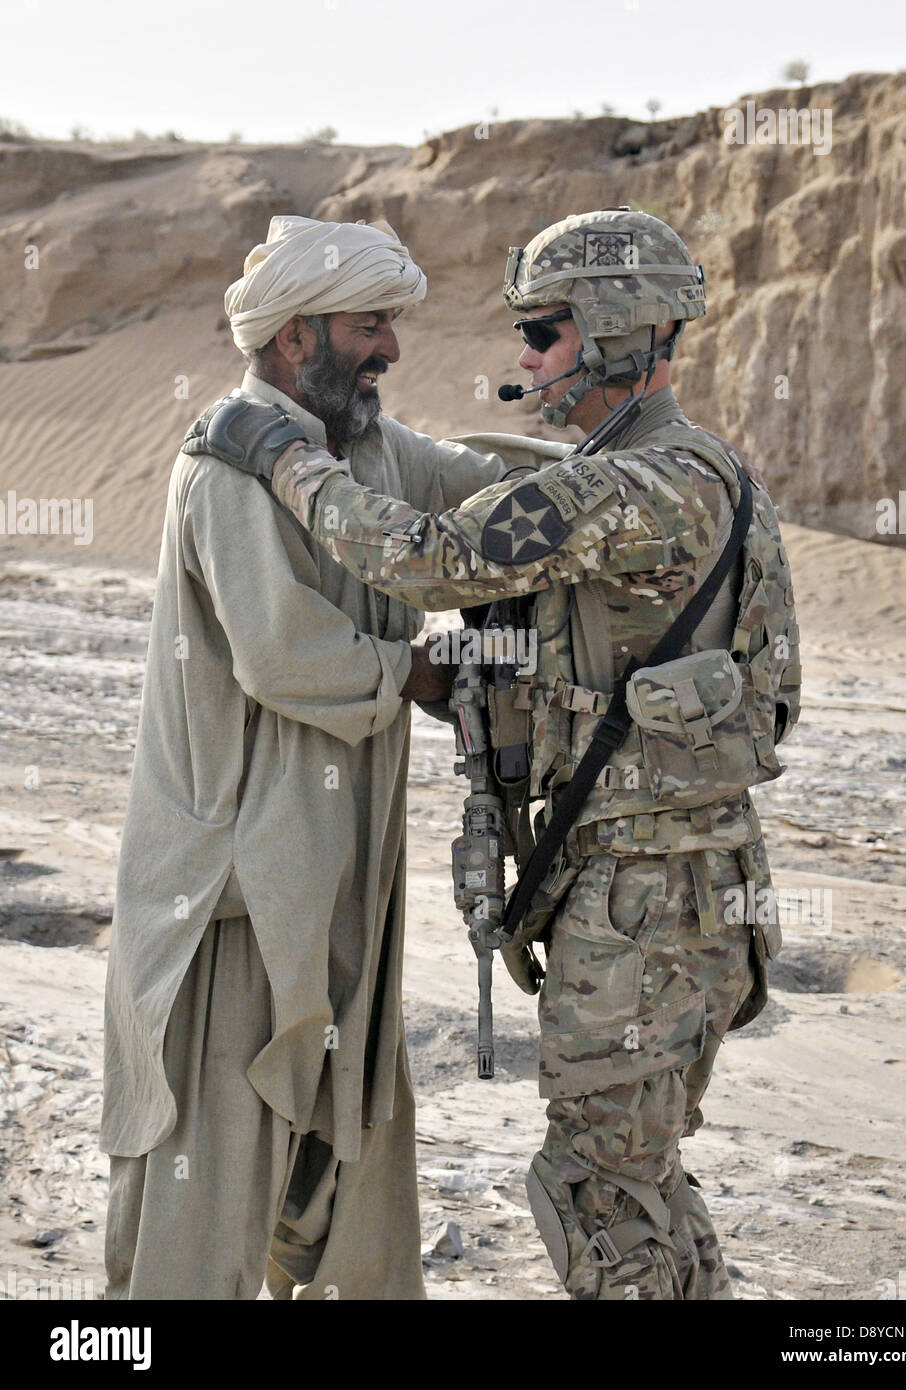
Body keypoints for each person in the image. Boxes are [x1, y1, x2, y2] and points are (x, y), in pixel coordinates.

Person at [189, 208, 802, 1300]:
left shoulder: (628, 488)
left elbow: (420, 557)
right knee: (643, 1173)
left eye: (545, 333)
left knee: (601, 1200)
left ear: (618, 330)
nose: (522, 359)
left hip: (645, 906)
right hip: (686, 890)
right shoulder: (700, 471)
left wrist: (281, 456)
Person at [100, 215, 533, 1300]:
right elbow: (284, 655)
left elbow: (479, 480)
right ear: (296, 338)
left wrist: (611, 473)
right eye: (371, 325)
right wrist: (416, 675)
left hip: (343, 878)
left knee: (347, 1150)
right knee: (209, 1164)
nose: (392, 347)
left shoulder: (367, 449)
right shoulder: (227, 467)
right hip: (237, 890)